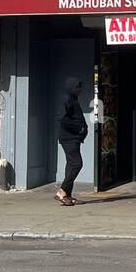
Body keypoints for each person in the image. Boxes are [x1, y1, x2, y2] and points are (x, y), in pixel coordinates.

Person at [56, 77, 88, 206]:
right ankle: (62, 191)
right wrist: (78, 128)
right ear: (71, 88)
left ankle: (67, 196)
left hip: (74, 138)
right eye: (77, 87)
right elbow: (62, 118)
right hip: (68, 138)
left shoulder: (73, 100)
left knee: (70, 165)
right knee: (76, 164)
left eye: (80, 87)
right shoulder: (66, 100)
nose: (80, 90)